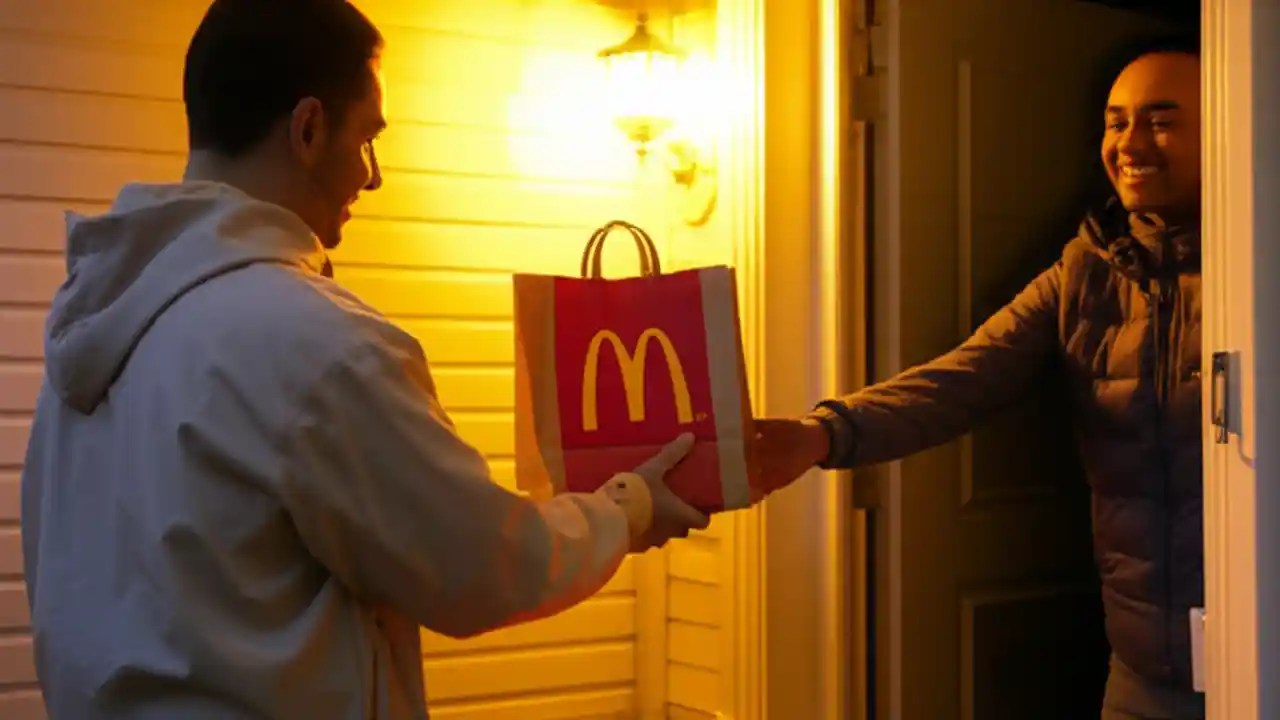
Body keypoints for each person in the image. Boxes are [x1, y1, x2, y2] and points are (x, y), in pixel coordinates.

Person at [19, 1, 708, 718]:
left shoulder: (86, 339)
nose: (370, 177)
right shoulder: (316, 343)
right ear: (309, 129)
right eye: (367, 139)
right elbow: (483, 566)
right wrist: (623, 510)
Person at [756, 39, 1206, 720]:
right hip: (1143, 672)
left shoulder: (1256, 268)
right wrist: (823, 434)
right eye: (1117, 122)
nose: (1131, 143)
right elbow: (966, 377)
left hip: (1258, 658)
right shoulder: (1087, 272)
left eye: (1162, 120)